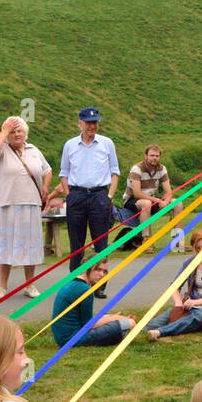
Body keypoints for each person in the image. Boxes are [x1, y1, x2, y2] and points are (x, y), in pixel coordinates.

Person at [0, 117, 52, 300]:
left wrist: (45, 187)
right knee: (5, 245)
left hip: (31, 203)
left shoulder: (33, 150)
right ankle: (2, 286)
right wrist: (4, 131)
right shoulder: (3, 150)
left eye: (19, 131)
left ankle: (29, 284)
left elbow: (47, 170)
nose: (16, 134)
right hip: (8, 203)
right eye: (13, 132)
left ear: (25, 133)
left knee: (30, 246)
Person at [59, 107, 120, 287]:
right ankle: (76, 284)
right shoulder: (70, 145)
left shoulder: (106, 143)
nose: (92, 126)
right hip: (77, 195)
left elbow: (114, 171)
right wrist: (69, 195)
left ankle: (100, 284)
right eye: (88, 123)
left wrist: (109, 196)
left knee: (100, 243)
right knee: (76, 243)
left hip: (99, 195)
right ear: (80, 123)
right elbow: (64, 172)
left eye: (95, 122)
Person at [51, 260, 136, 347]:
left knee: (114, 319)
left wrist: (109, 317)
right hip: (74, 339)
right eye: (98, 270)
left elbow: (84, 318)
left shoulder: (71, 283)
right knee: (130, 323)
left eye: (104, 271)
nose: (102, 275)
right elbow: (89, 324)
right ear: (86, 269)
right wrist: (115, 318)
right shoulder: (85, 290)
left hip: (63, 338)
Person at [146, 229, 202, 340]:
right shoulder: (191, 262)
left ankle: (160, 332)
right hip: (190, 306)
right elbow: (174, 286)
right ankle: (127, 328)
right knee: (154, 323)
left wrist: (196, 302)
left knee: (200, 316)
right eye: (199, 248)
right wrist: (178, 304)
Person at [123, 145, 173, 243]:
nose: (155, 158)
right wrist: (157, 200)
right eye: (152, 155)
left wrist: (166, 203)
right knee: (146, 203)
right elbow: (137, 193)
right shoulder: (137, 168)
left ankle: (177, 241)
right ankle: (146, 241)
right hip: (132, 200)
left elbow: (168, 191)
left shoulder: (162, 169)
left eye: (157, 156)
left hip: (151, 200)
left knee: (177, 203)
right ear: (146, 156)